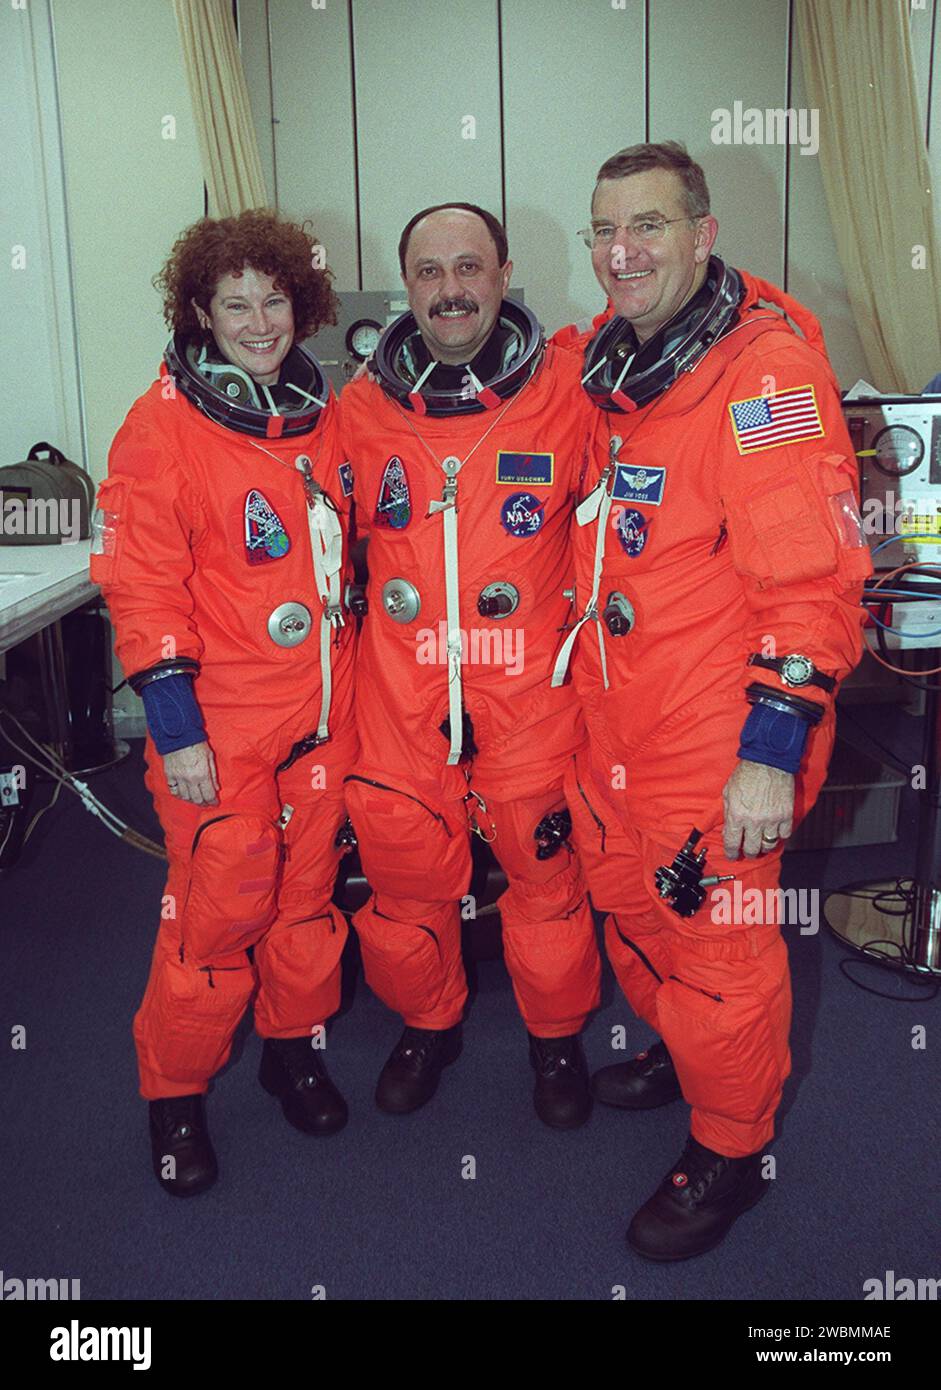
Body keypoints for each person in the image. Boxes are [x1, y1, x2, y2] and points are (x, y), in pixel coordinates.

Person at [552, 143, 870, 1256]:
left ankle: (730, 1150)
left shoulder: (761, 377)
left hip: (717, 735)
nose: (619, 251)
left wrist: (768, 751)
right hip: (616, 719)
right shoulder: (613, 365)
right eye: (601, 229)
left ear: (703, 233)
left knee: (721, 948)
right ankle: (677, 1048)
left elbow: (816, 582)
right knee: (636, 909)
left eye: (645, 226)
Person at [90, 210, 359, 1197]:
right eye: (234, 303)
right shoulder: (159, 426)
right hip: (218, 732)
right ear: (199, 311)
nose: (258, 320)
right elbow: (140, 586)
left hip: (321, 721)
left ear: (302, 303)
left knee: (304, 909)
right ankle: (175, 1093)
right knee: (213, 920)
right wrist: (176, 730)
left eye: (274, 298)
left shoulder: (322, 418)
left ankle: (289, 1051)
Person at [337, 203, 600, 1127]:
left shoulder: (570, 393)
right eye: (428, 273)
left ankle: (557, 1038)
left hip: (524, 690)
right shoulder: (358, 411)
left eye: (469, 268)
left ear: (502, 273)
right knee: (406, 880)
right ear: (404, 285)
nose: (450, 291)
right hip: (403, 691)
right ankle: (427, 1021)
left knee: (545, 880)